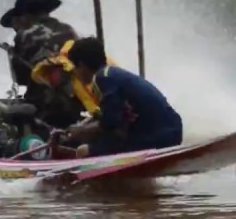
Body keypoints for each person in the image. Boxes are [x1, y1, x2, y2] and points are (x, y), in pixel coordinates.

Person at [52, 37, 183, 158]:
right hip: (173, 130)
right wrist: (79, 130)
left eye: (75, 67)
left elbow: (112, 123)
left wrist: (82, 131)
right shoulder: (113, 73)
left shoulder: (102, 78)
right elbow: (112, 114)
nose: (75, 72)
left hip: (156, 137)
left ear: (82, 65)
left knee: (82, 151)